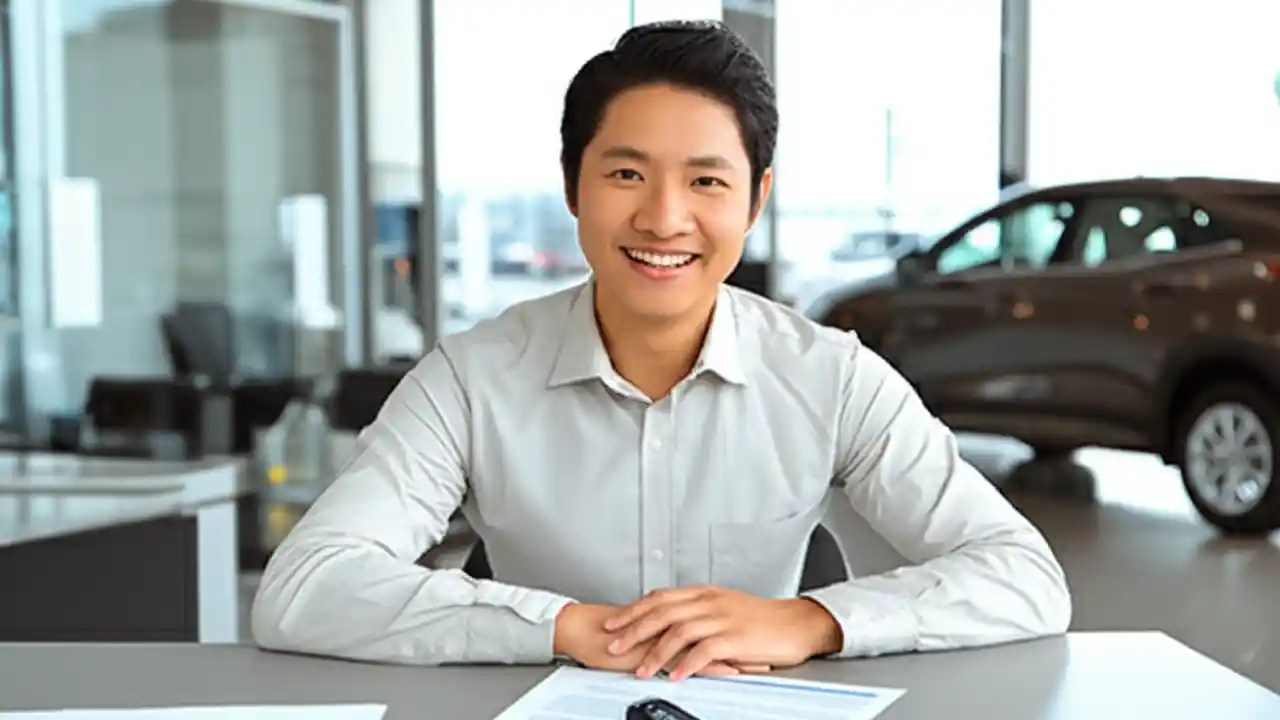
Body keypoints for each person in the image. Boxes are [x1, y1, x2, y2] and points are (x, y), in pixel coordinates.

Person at [252, 20, 1070, 681]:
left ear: (756, 200)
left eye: (708, 181)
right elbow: (303, 588)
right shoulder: (471, 378)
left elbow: (1024, 577)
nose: (665, 219)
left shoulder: (831, 375)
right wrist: (568, 627)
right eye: (627, 175)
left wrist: (810, 621)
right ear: (573, 186)